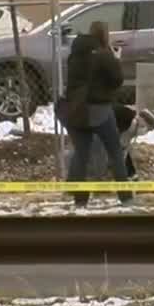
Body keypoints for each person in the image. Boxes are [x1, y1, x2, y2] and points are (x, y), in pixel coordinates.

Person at [61, 21, 131, 207]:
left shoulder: (75, 55)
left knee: (81, 154)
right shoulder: (103, 55)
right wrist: (116, 59)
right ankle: (125, 197)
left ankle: (79, 200)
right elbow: (117, 80)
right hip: (99, 109)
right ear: (104, 35)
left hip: (76, 110)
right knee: (115, 152)